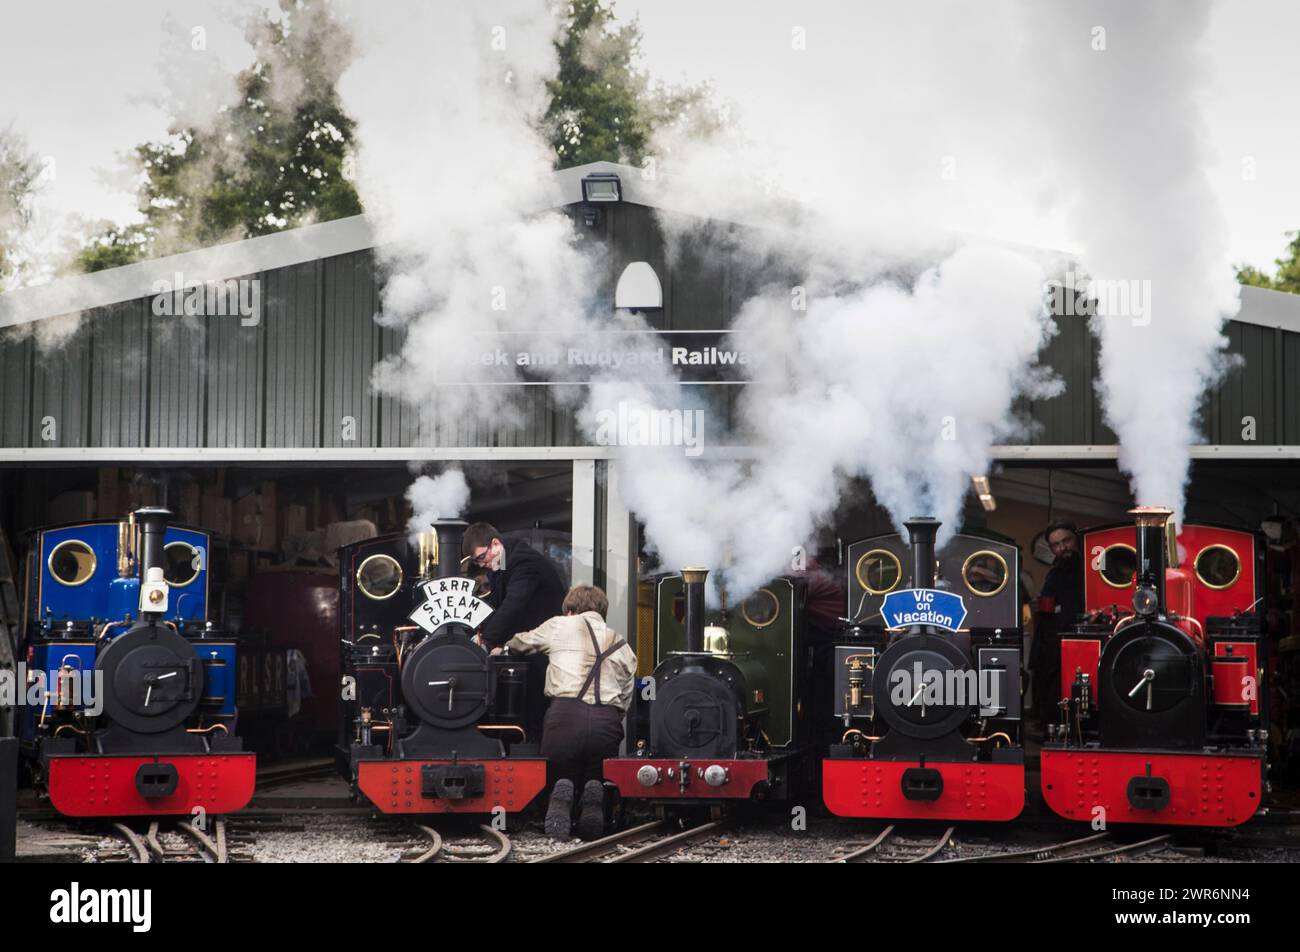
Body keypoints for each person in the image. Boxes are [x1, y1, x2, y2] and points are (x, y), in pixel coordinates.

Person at [497, 585, 636, 840]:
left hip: (565, 716)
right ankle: (593, 795)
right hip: (607, 721)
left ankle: (560, 796)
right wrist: (613, 719)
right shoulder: (622, 644)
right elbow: (626, 696)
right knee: (596, 773)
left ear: (570, 610)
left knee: (559, 771)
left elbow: (522, 643)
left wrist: (501, 647)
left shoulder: (560, 625)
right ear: (602, 612)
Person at [462, 522, 567, 740]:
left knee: (533, 713)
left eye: (482, 557)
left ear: (495, 544)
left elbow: (512, 606)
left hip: (541, 653)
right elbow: (497, 606)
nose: (484, 565)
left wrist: (486, 642)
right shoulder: (500, 566)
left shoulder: (524, 562)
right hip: (524, 647)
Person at [1031, 519, 1086, 725]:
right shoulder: (1054, 572)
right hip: (1055, 644)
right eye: (1056, 545)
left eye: (1067, 541)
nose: (1063, 548)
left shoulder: (1090, 568)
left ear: (1077, 539)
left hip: (1084, 639)